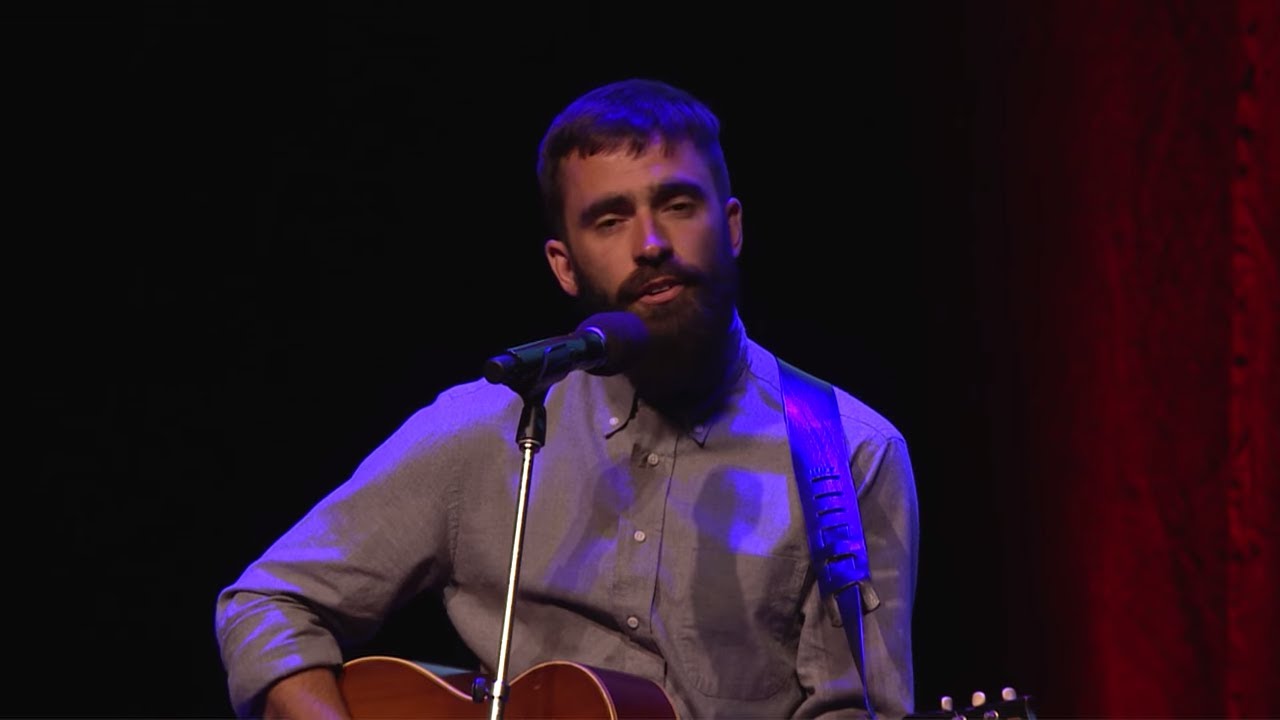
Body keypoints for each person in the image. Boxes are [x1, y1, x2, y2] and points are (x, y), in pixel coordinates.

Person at [215, 77, 919, 719]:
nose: (650, 243)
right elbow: (266, 604)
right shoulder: (488, 426)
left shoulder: (849, 453)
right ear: (564, 264)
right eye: (609, 220)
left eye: (677, 205)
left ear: (731, 226)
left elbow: (858, 705)